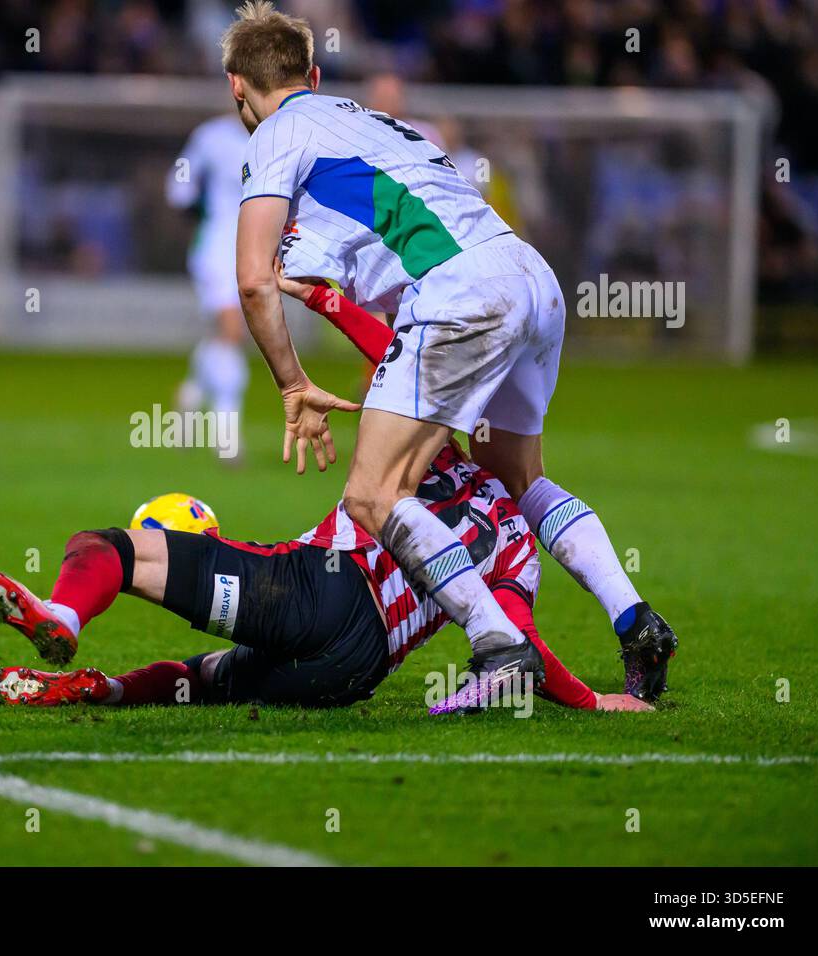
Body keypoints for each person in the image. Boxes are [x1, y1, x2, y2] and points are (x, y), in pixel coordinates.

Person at [220, 2, 677, 698]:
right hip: (528, 275)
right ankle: (635, 617)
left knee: (375, 493)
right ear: (312, 73)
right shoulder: (369, 122)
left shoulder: (276, 137)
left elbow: (254, 282)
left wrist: (291, 382)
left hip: (462, 296)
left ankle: (500, 649)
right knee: (518, 481)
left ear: (235, 86)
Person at [0, 438, 647, 715]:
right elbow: (515, 639)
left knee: (108, 544)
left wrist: (319, 295)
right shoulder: (521, 543)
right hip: (352, 674)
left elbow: (386, 346)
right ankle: (103, 693)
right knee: (205, 681)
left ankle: (64, 615)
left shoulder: (431, 445)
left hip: (323, 588)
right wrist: (591, 700)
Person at [165, 113, 252, 463]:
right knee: (233, 332)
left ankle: (190, 396)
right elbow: (178, 184)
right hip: (218, 248)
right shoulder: (211, 137)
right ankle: (226, 438)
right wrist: (200, 208)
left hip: (253, 251)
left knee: (227, 335)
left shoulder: (279, 134)